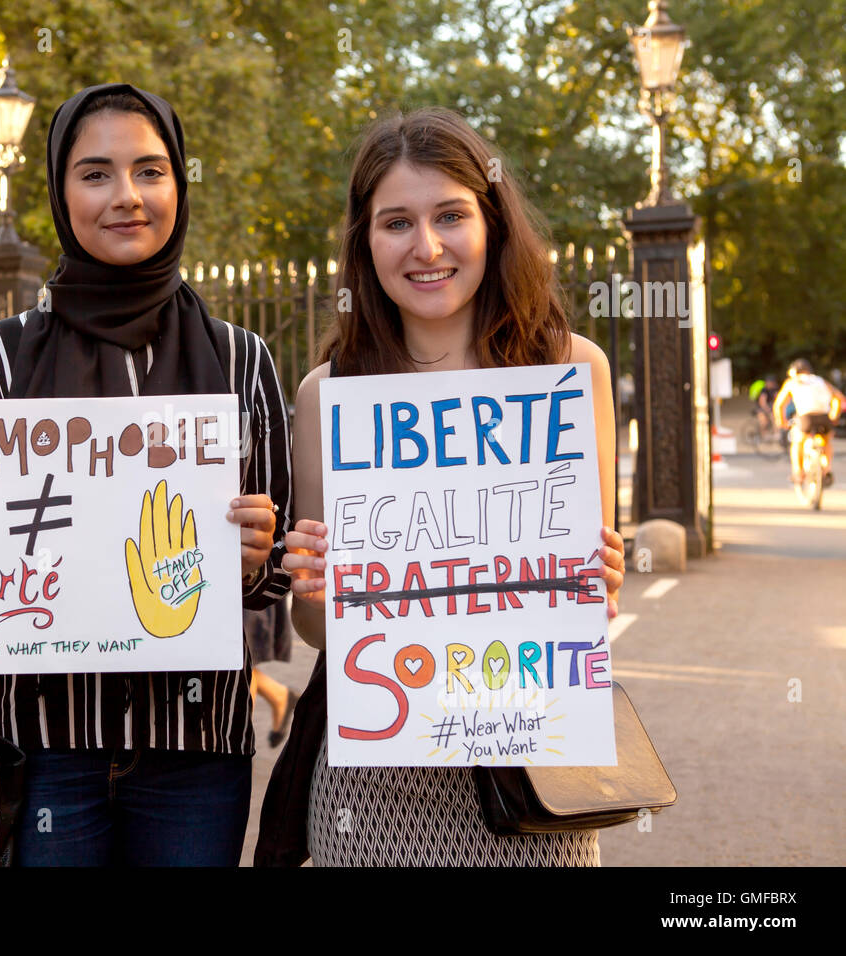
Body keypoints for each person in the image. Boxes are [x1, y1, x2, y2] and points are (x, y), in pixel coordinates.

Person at [0, 83, 293, 866]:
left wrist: (257, 558)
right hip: (36, 754)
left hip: (194, 755)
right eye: (96, 174)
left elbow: (282, 576)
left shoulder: (244, 361)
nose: (127, 197)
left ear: (179, 181)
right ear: (59, 189)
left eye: (150, 171)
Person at [276, 107, 625, 866]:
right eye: (396, 222)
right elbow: (318, 636)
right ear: (364, 243)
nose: (427, 247)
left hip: (534, 779)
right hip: (371, 789)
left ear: (492, 223)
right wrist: (312, 589)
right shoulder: (326, 396)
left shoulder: (570, 375)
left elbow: (583, 601)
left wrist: (603, 578)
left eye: (451, 216)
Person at [773, 358, 844, 485]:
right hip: (824, 417)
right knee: (826, 441)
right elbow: (839, 398)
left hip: (805, 417)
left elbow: (779, 405)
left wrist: (781, 421)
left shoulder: (792, 382)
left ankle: (798, 473)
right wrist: (834, 416)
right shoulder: (821, 380)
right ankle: (826, 469)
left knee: (797, 443)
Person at [243, 602, 299, 747]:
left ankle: (240, 742)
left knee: (242, 658)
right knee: (228, 660)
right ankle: (279, 695)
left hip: (245, 591)